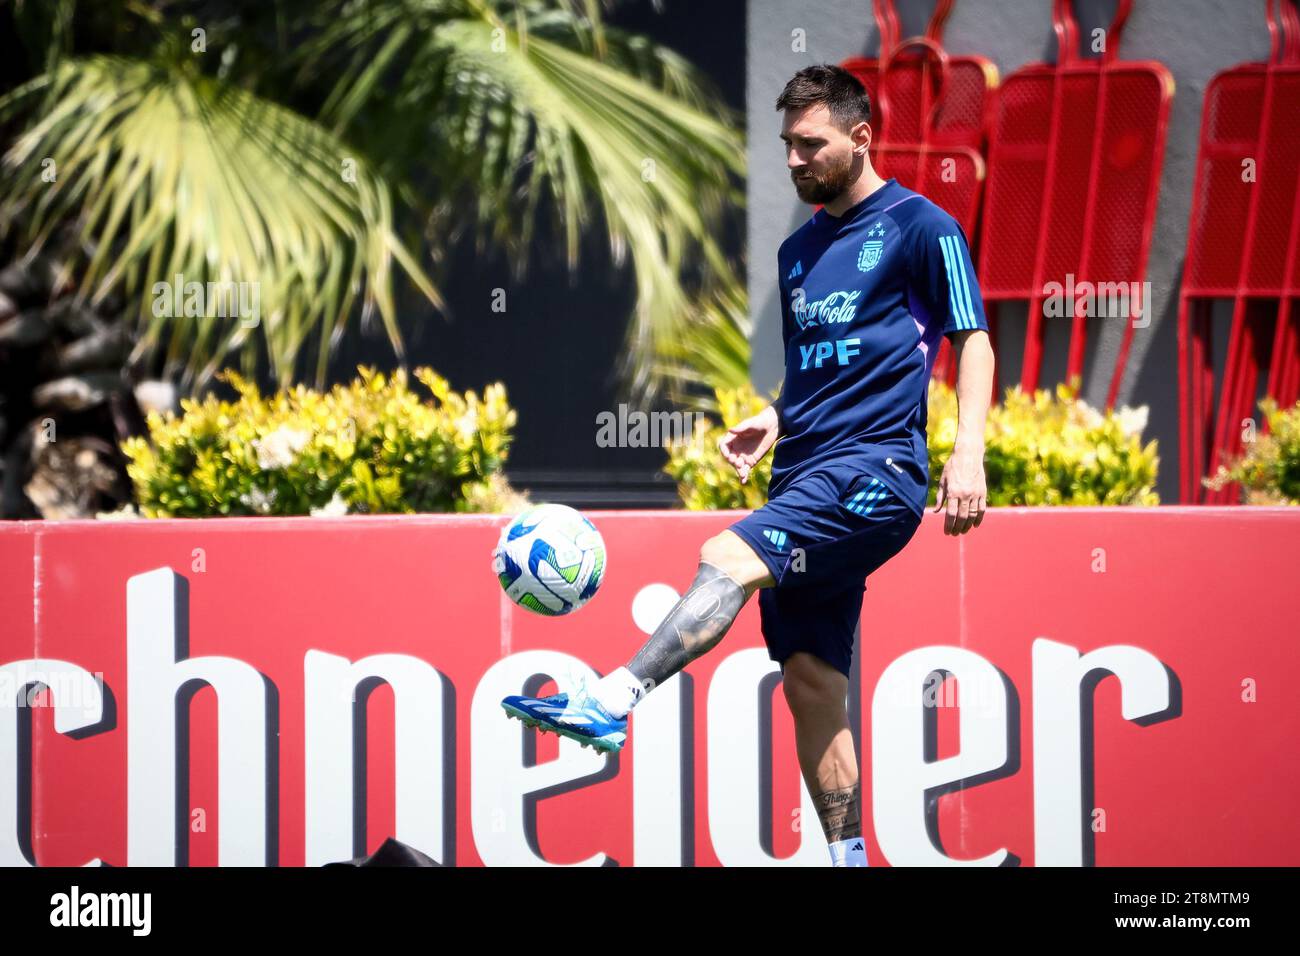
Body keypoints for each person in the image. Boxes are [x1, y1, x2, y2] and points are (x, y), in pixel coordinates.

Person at [501, 63, 995, 867]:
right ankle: (848, 860)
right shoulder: (799, 252)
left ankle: (611, 698)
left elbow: (971, 339)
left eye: (811, 143)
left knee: (726, 557)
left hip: (875, 476)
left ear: (861, 136)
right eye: (787, 146)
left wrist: (966, 450)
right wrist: (773, 417)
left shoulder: (920, 226)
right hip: (804, 471)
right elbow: (824, 366)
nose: (795, 160)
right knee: (810, 682)